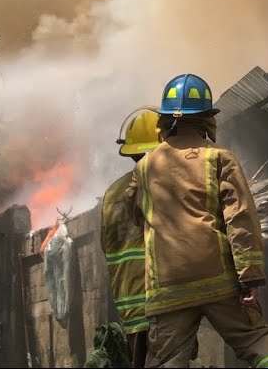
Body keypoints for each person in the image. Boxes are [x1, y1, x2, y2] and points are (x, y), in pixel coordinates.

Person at [128, 74, 268, 369]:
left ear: (165, 121)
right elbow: (239, 219)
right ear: (206, 119)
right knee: (256, 341)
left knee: (167, 360)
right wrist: (249, 276)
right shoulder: (219, 158)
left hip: (167, 288)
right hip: (219, 280)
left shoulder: (143, 168)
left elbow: (139, 220)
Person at [102, 108, 162, 367]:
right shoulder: (158, 186)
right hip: (158, 298)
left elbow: (107, 246)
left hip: (127, 301)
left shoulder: (112, 192)